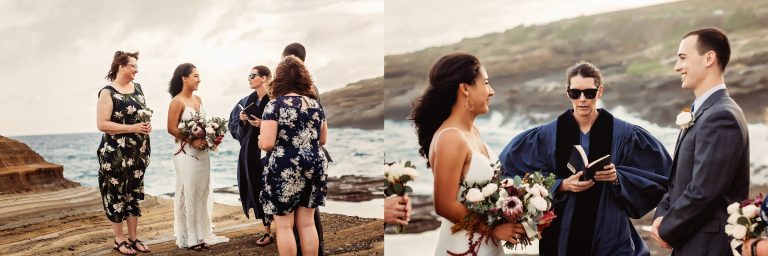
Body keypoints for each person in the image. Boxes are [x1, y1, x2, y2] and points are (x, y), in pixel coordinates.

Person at [499, 61, 672, 256]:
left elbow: (661, 173)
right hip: (562, 235)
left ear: (600, 91)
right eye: (575, 93)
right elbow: (510, 174)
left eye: (589, 93)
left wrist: (617, 177)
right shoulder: (547, 135)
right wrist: (560, 185)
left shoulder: (624, 133)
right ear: (568, 93)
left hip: (610, 234)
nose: (582, 99)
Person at [411, 53, 526, 255]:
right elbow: (444, 205)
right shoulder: (450, 138)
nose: (491, 91)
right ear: (465, 88)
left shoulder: (473, 132)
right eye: (486, 83)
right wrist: (493, 229)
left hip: (488, 246)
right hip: (462, 249)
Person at [651, 27, 750, 256]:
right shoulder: (703, 112)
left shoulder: (722, 115)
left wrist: (667, 228)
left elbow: (704, 191)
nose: (677, 67)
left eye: (683, 58)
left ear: (709, 58)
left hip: (708, 247)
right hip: (692, 241)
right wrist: (660, 215)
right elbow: (678, 181)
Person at [259, 56, 328, 256]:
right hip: (314, 164)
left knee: (284, 226)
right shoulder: (315, 105)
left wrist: (259, 141)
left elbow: (267, 143)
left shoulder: (274, 106)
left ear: (278, 79)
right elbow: (322, 140)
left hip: (284, 167)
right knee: (307, 224)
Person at [166, 63, 229, 250]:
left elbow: (204, 124)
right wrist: (191, 140)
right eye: (195, 76)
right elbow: (171, 128)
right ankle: (190, 238)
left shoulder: (198, 99)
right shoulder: (177, 102)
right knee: (189, 191)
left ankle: (202, 234)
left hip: (203, 153)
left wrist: (212, 138)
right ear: (184, 78)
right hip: (185, 153)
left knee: (202, 191)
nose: (199, 79)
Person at [96, 50, 152, 255]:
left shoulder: (138, 88)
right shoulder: (107, 92)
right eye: (133, 66)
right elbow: (102, 124)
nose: (136, 70)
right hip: (115, 154)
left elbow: (140, 118)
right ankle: (119, 240)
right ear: (121, 66)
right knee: (116, 195)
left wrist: (146, 126)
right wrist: (134, 128)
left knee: (133, 195)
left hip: (139, 151)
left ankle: (134, 238)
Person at [282, 42, 327, 255]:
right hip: (314, 158)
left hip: (287, 162)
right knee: (308, 220)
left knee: (290, 222)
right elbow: (322, 136)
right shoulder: (313, 94)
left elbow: (268, 141)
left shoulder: (280, 101)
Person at [228, 65, 274, 246]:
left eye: (252, 75)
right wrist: (241, 120)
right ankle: (267, 230)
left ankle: (286, 228)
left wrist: (264, 124)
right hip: (251, 153)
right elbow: (232, 126)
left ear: (264, 78)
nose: (249, 78)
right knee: (257, 188)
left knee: (272, 187)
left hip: (271, 150)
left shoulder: (275, 100)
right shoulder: (246, 100)